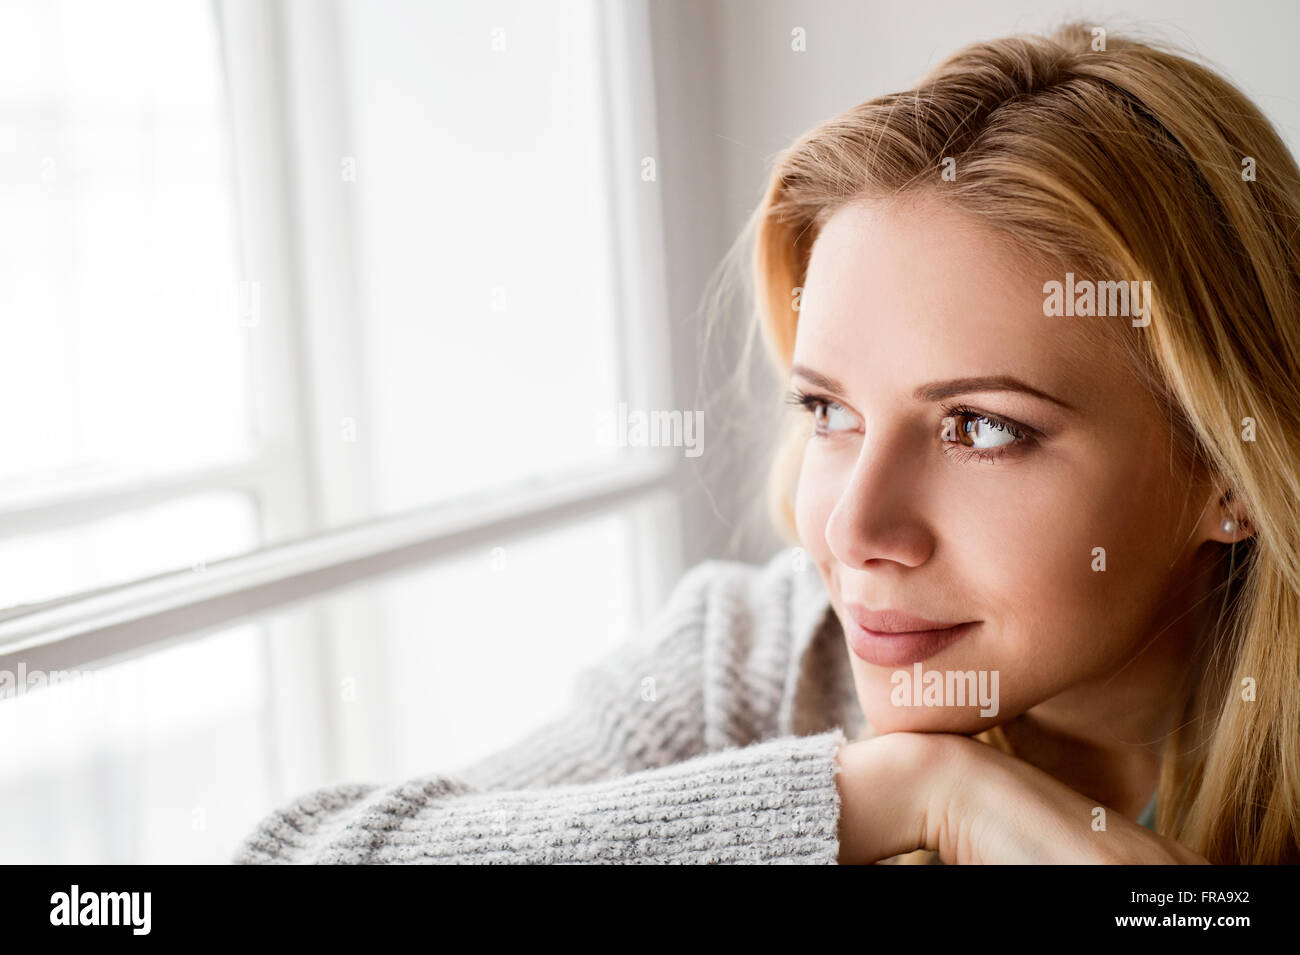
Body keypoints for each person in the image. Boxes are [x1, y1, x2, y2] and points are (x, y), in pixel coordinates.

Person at [233, 21, 1300, 864]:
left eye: (980, 427)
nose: (849, 528)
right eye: (827, 411)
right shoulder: (755, 665)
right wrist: (905, 794)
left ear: (1228, 466)